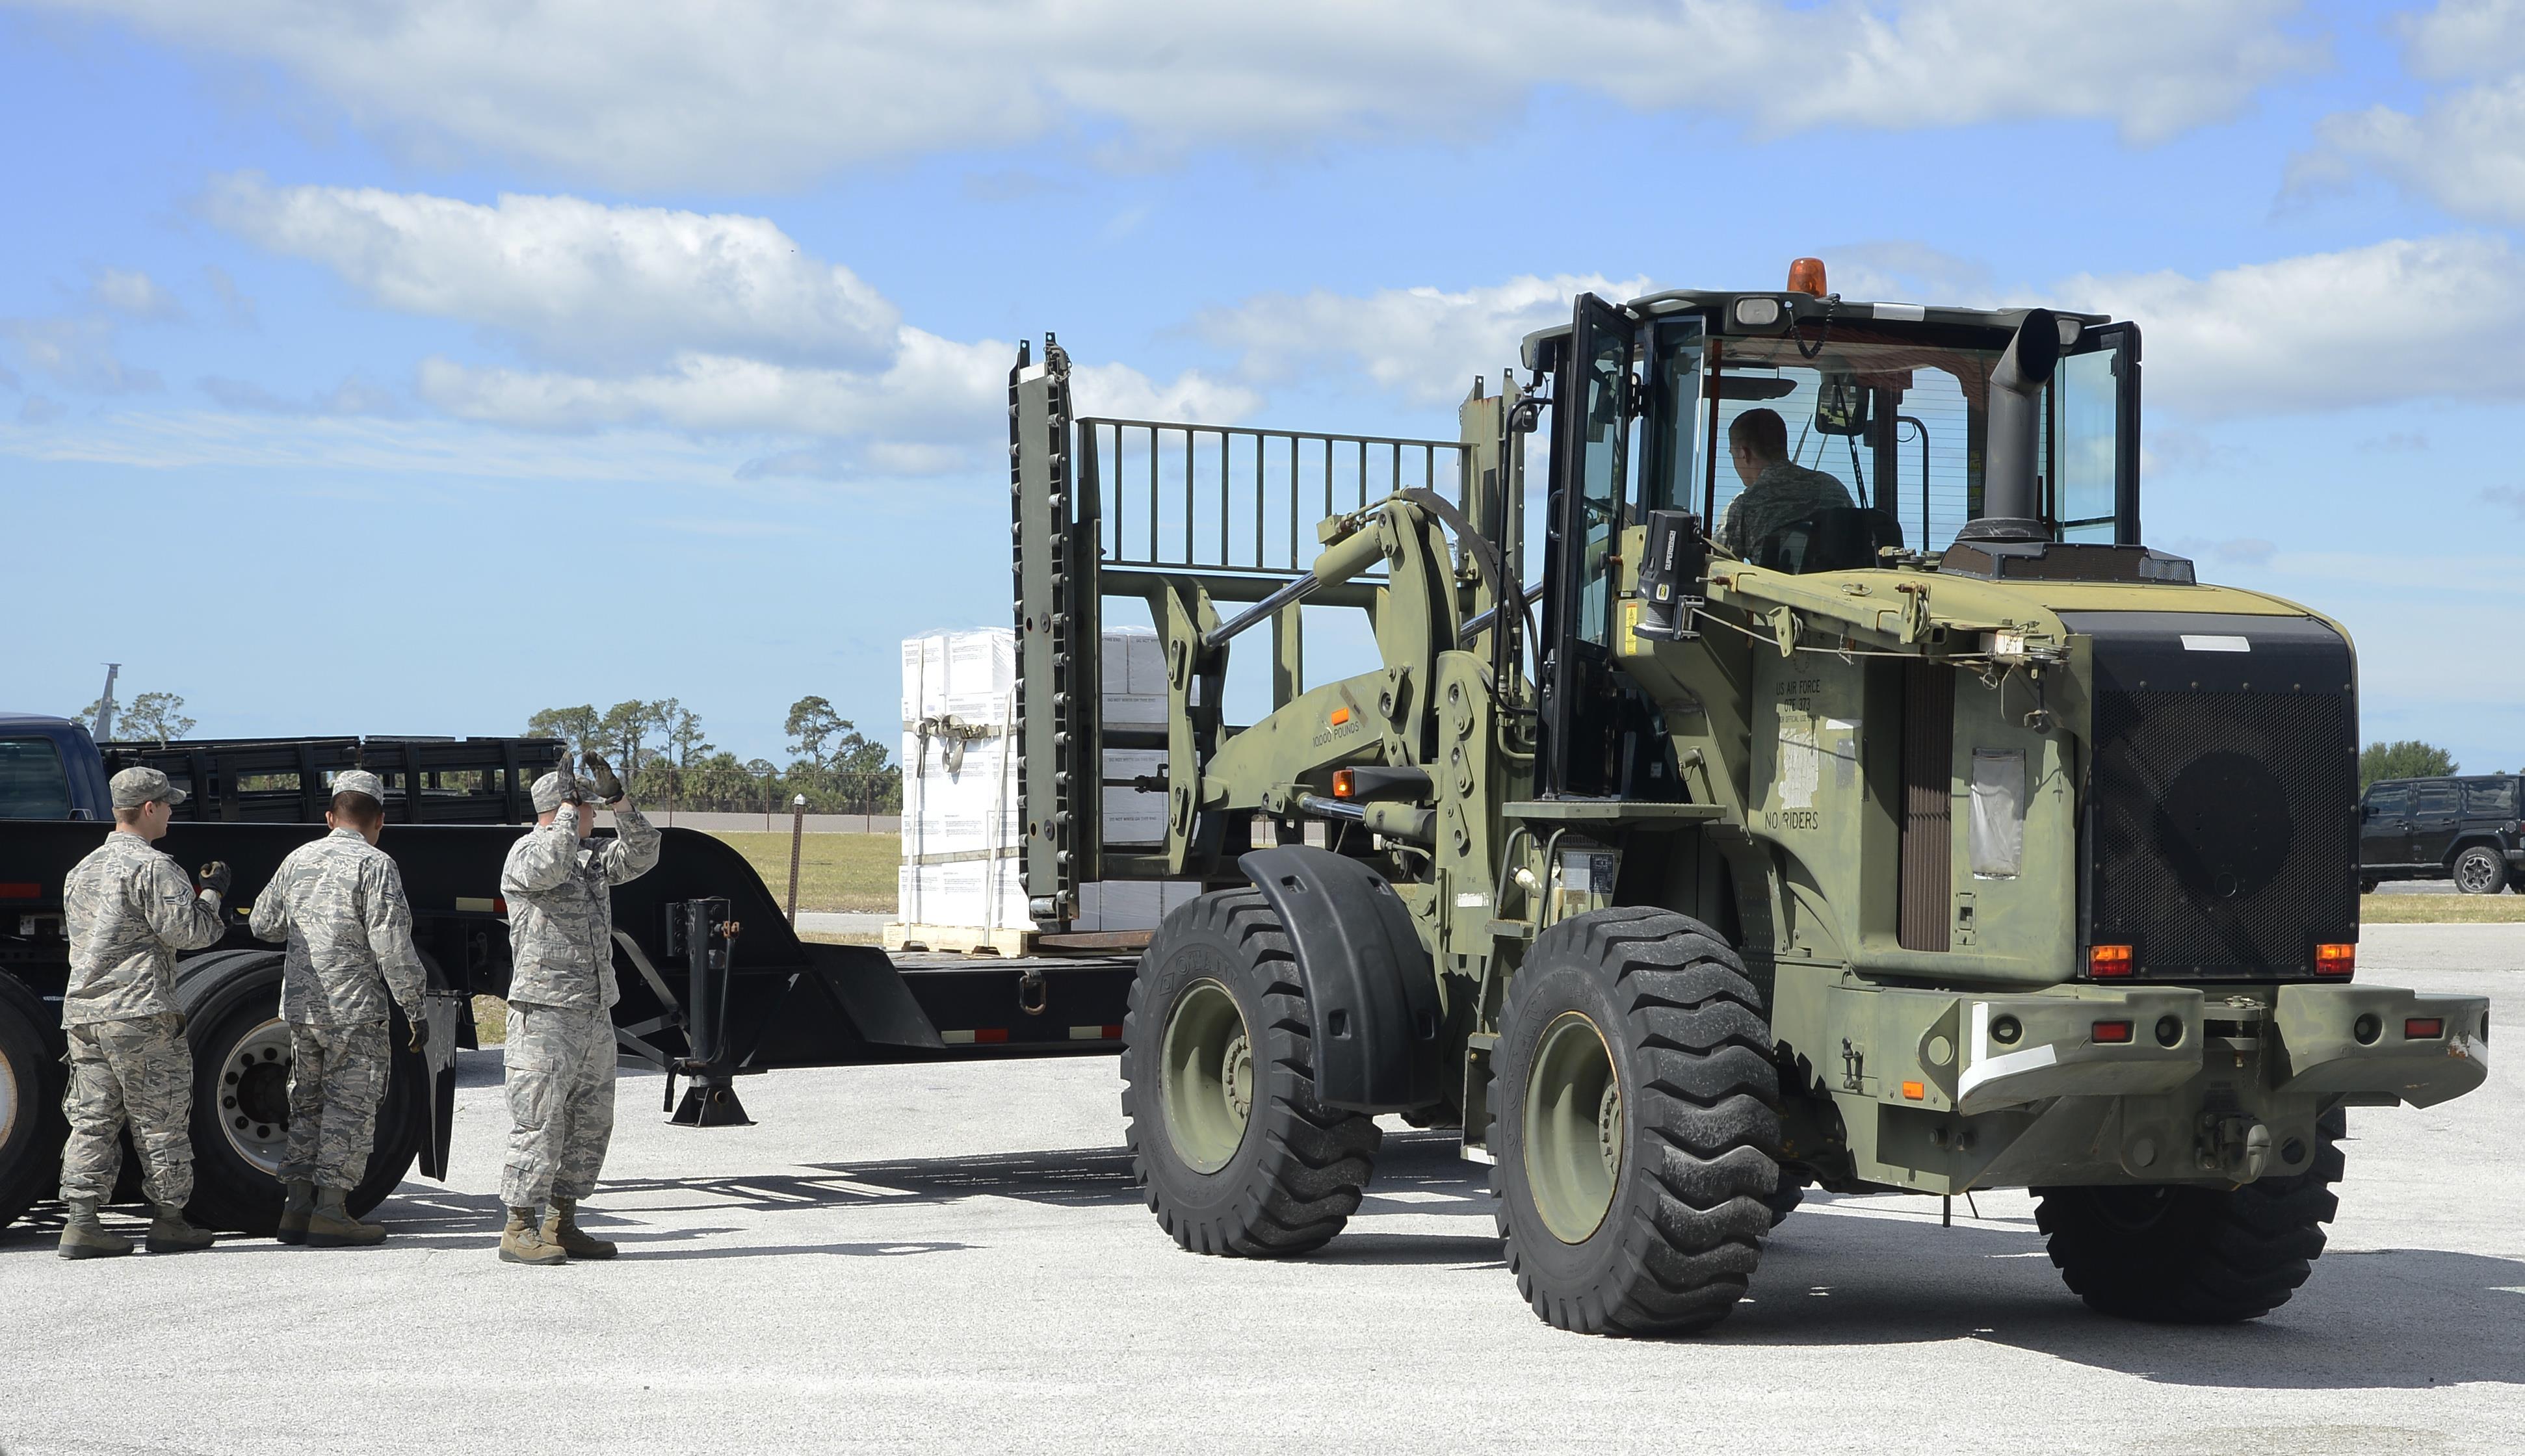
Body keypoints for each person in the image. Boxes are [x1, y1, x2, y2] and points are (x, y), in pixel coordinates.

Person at [247, 768, 428, 1247]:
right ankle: (332, 1211)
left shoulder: (298, 859)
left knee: (305, 1104)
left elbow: (264, 924)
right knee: (350, 1108)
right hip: (355, 1010)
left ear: (330, 816)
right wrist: (415, 1006)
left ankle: (297, 1208)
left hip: (303, 1010)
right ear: (380, 820)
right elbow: (391, 944)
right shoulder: (377, 865)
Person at [55, 766, 228, 1259]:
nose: (172, 811)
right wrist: (213, 893)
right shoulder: (154, 867)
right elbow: (191, 933)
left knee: (92, 1119)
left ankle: (82, 1223)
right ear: (149, 808)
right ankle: (170, 1220)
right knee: (160, 1119)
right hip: (139, 1012)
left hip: (85, 1014)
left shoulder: (82, 870)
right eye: (168, 804)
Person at [494, 753, 659, 1265]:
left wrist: (621, 802)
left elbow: (644, 854)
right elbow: (548, 862)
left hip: (592, 1012)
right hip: (544, 1014)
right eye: (585, 807)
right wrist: (569, 806)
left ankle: (562, 1221)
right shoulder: (526, 854)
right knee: (539, 1121)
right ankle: (518, 1227)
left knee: (589, 1122)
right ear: (560, 809)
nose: (590, 817)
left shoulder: (589, 859)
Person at [1714, 408, 1857, 558]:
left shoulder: (1743, 506)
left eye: (1733, 454)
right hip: (1847, 582)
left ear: (1744, 454)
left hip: (1775, 582)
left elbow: (1718, 567)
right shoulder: (1833, 487)